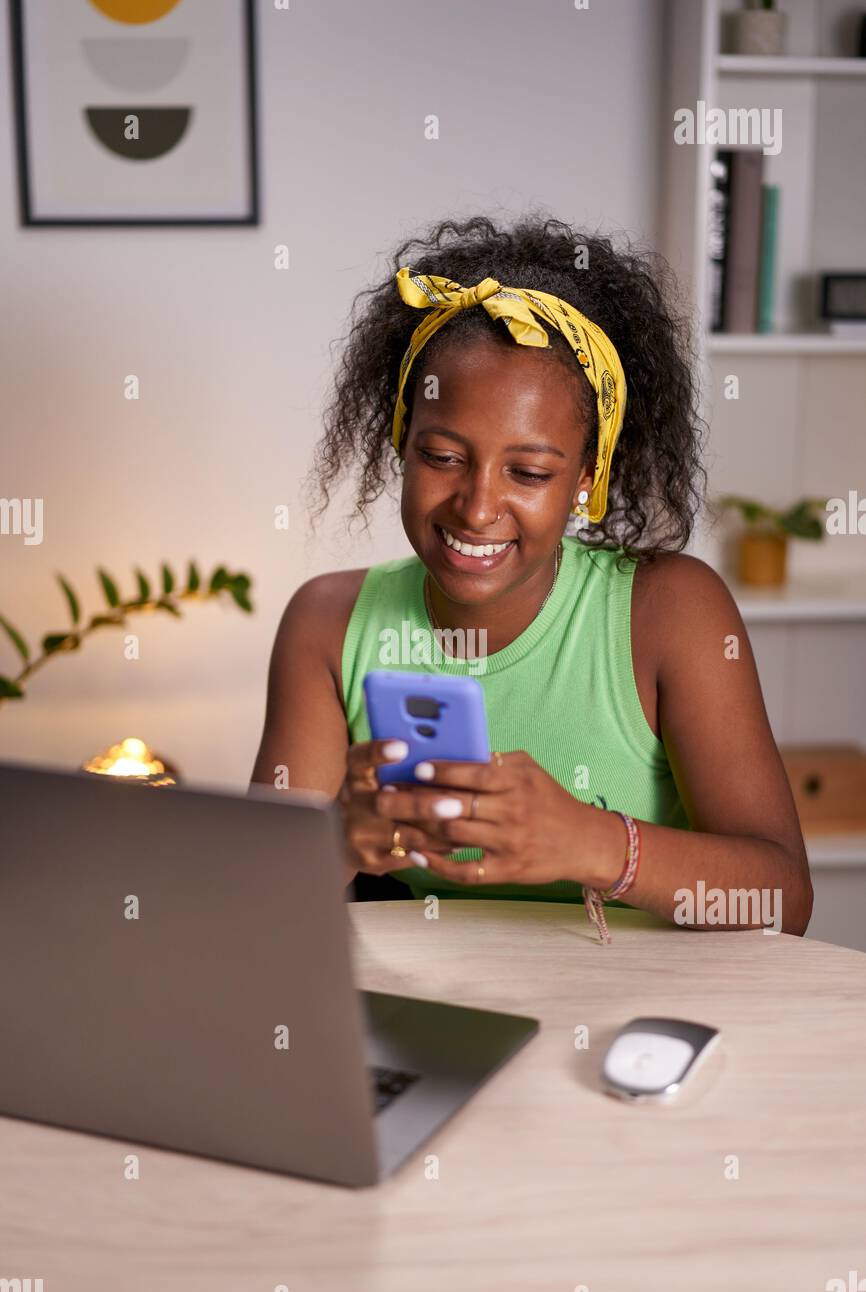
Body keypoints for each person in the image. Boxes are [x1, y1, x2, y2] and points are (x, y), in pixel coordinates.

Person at [251, 214, 812, 935]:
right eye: (442, 457)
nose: (478, 507)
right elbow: (255, 910)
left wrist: (592, 842)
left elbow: (783, 902)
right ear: (402, 442)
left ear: (587, 476)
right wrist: (340, 840)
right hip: (438, 1026)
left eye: (529, 472)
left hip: (636, 1020)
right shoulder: (327, 624)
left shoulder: (671, 613)